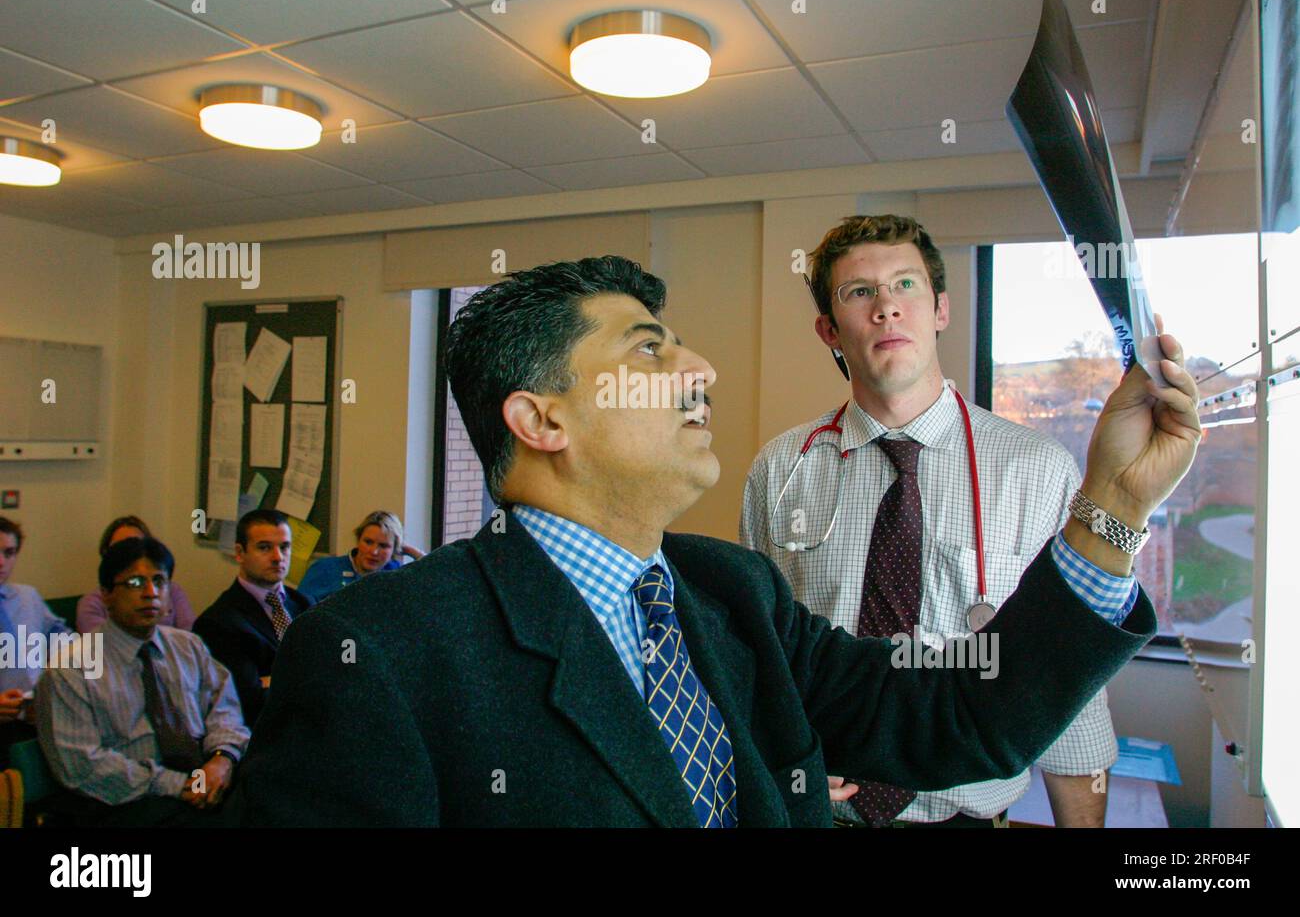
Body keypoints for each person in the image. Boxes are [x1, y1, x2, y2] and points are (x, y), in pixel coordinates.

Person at [231, 255, 1200, 827]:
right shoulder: (380, 651)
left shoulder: (732, 591)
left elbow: (957, 717)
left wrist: (1109, 505)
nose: (699, 368)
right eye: (648, 349)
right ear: (541, 420)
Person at [741, 214, 1117, 828]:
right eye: (859, 292)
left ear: (941, 309)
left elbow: (1068, 683)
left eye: (906, 285)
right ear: (829, 330)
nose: (886, 307)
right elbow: (758, 654)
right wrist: (777, 764)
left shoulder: (1036, 471)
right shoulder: (780, 469)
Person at [34, 537, 248, 826]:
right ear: (106, 594)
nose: (151, 593)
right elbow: (83, 766)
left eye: (159, 581)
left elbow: (224, 710)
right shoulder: (71, 669)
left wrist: (221, 759)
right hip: (126, 801)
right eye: (135, 583)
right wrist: (179, 785)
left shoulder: (188, 646)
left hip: (204, 778)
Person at [193, 509, 314, 729]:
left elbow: (333, 670)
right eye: (265, 547)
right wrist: (308, 676)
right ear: (240, 553)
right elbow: (251, 700)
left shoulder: (305, 604)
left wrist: (271, 679)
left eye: (284, 547)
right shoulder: (218, 622)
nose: (278, 557)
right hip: (266, 737)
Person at [0, 517, 70, 768]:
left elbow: (64, 640)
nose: (1, 562)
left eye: (9, 553)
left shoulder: (27, 597)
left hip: (38, 715)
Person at [76, 515, 197, 632]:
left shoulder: (172, 590)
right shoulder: (92, 603)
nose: (151, 593)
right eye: (120, 548)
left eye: (137, 545)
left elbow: (190, 629)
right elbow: (103, 644)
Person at [297, 510, 425, 602]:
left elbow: (434, 582)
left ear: (394, 550)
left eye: (384, 546)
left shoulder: (395, 574)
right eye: (368, 542)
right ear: (358, 540)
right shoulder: (325, 568)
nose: (374, 552)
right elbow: (298, 611)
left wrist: (413, 552)